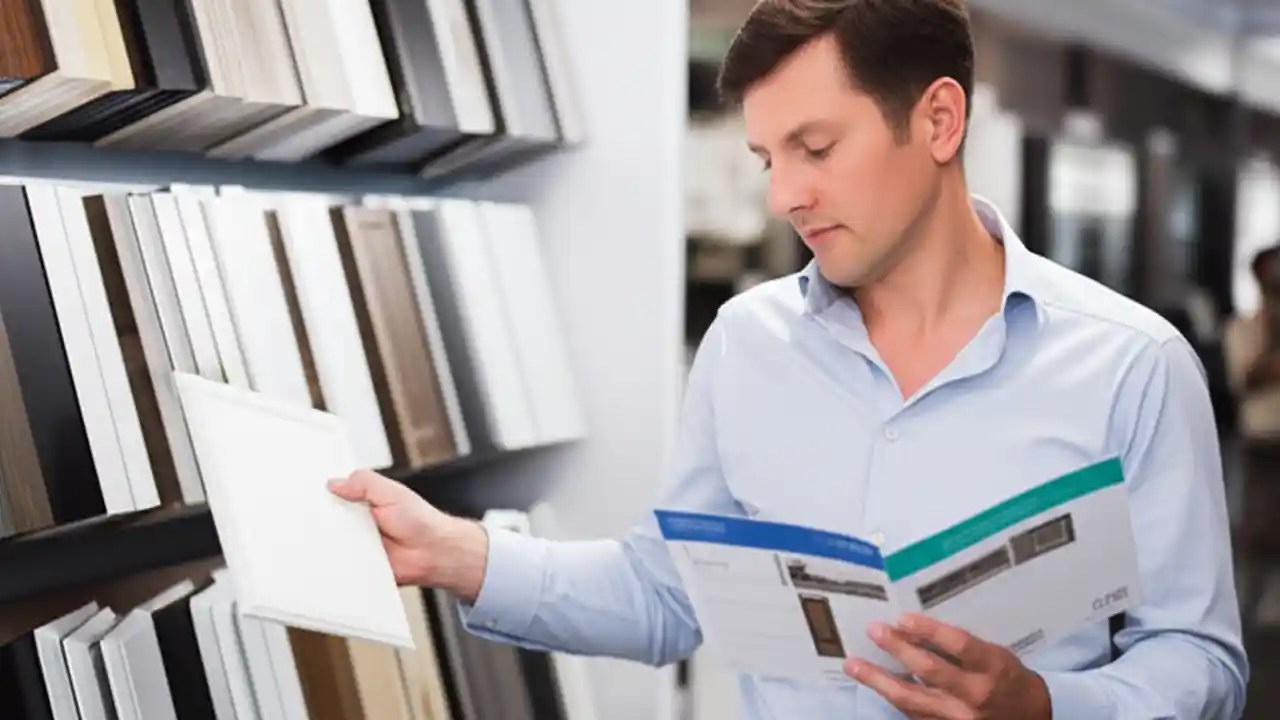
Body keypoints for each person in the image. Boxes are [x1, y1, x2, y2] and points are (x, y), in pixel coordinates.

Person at [329, 1, 1248, 717]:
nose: (784, 197)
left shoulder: (1132, 366)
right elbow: (668, 595)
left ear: (938, 121)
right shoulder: (746, 345)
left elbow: (1198, 660)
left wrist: (1046, 706)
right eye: (769, 157)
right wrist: (456, 553)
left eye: (815, 148)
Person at [1224, 245, 1280, 630]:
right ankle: (1248, 607)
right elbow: (1245, 380)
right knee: (1257, 528)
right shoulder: (1243, 328)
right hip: (1262, 440)